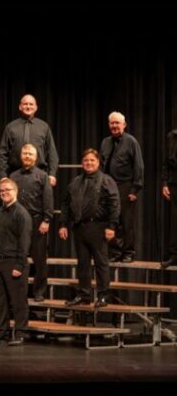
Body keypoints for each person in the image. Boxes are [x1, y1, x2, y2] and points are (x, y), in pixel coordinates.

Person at [58, 149, 120, 307]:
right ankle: (84, 294)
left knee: (101, 263)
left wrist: (112, 226)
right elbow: (65, 204)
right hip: (79, 227)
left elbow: (115, 203)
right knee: (83, 263)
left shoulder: (106, 180)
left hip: (98, 226)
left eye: (92, 160)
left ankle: (103, 296)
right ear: (82, 163)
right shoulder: (75, 181)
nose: (89, 163)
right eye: (86, 160)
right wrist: (63, 224)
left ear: (98, 162)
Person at [0, 178, 31, 346]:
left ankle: (20, 333)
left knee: (18, 301)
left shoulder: (21, 214)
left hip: (14, 263)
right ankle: (1, 332)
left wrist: (19, 265)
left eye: (7, 190)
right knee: (0, 301)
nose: (4, 193)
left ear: (15, 191)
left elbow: (24, 242)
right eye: (1, 191)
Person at [10, 143, 53, 301]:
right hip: (17, 222)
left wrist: (46, 220)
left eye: (30, 154)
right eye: (25, 153)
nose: (27, 156)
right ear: (21, 156)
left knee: (39, 258)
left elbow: (48, 200)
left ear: (36, 157)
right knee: (16, 257)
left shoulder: (42, 176)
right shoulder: (13, 176)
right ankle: (16, 291)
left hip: (37, 221)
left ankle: (39, 291)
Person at [100, 111, 143, 262]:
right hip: (109, 186)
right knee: (112, 220)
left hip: (126, 185)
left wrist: (135, 189)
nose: (114, 126)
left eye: (117, 123)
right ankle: (115, 252)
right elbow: (102, 166)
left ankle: (129, 252)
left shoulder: (131, 141)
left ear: (124, 125)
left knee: (126, 221)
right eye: (112, 123)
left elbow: (139, 166)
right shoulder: (105, 142)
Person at [0, 94, 59, 186]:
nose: (28, 106)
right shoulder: (10, 127)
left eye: (31, 104)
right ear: (20, 107)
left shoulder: (44, 127)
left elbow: (52, 152)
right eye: (25, 104)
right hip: (15, 175)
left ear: (36, 107)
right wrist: (3, 176)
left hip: (40, 175)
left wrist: (52, 174)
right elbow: (2, 153)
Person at [162, 125, 177, 268]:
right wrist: (165, 183)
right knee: (175, 222)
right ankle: (174, 256)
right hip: (175, 184)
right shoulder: (172, 136)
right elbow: (166, 163)